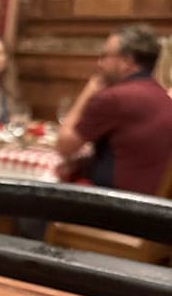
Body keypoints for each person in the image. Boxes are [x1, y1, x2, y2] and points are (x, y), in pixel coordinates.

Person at [57, 24, 172, 196]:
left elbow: (64, 145)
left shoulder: (114, 98)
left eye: (105, 56)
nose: (99, 63)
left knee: (34, 200)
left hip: (115, 204)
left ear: (127, 62)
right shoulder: (164, 97)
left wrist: (89, 90)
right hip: (151, 202)